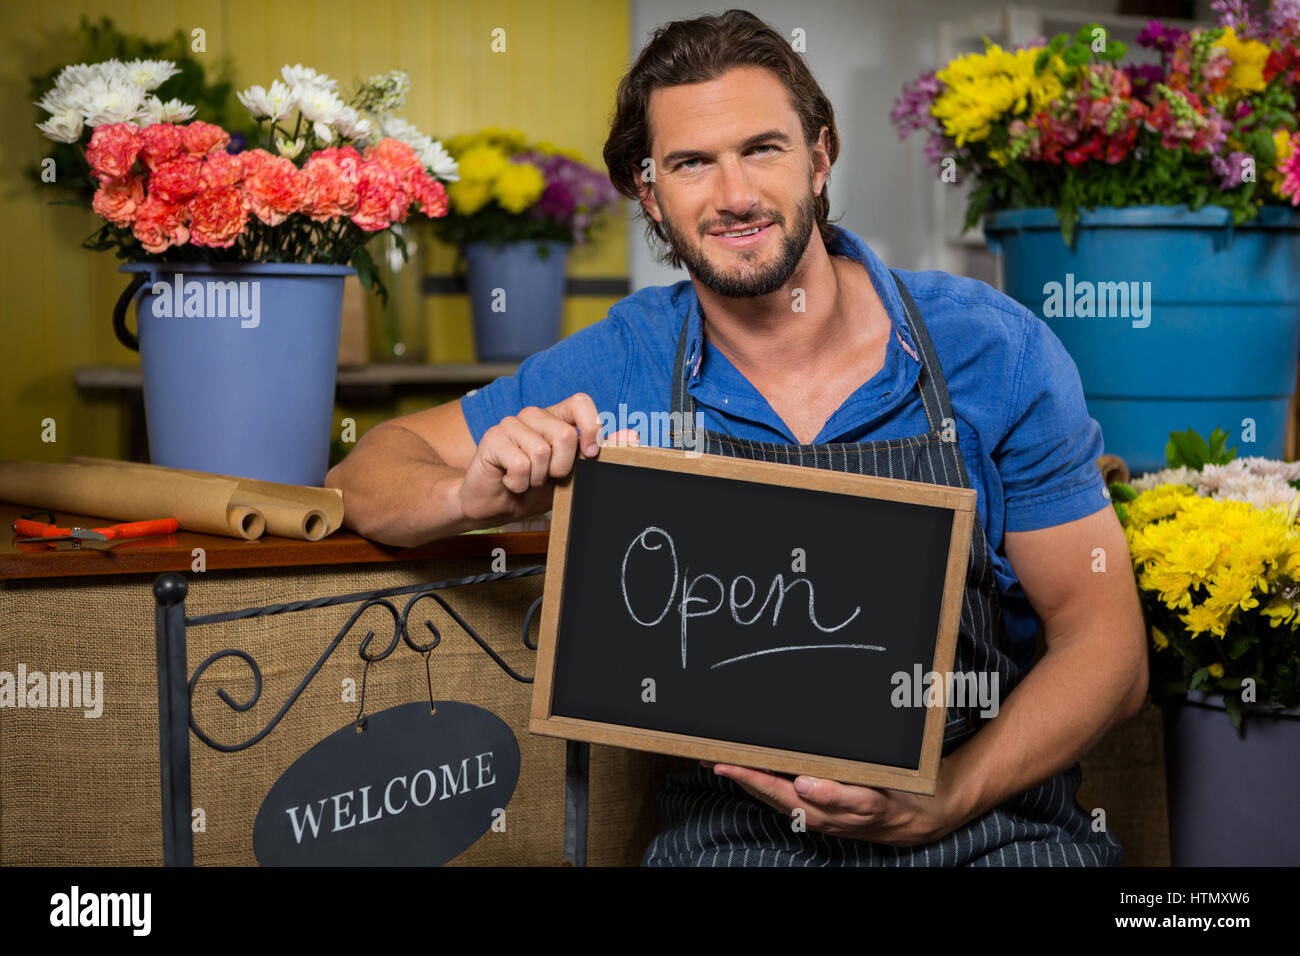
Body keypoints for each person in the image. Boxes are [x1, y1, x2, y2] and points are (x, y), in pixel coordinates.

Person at [326, 8, 1147, 866]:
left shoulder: (992, 349)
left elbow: (1107, 648)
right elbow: (363, 473)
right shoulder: (625, 360)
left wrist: (943, 802)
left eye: (764, 149)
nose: (736, 197)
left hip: (991, 834)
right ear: (649, 190)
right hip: (733, 845)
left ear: (820, 156)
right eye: (691, 163)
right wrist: (468, 496)